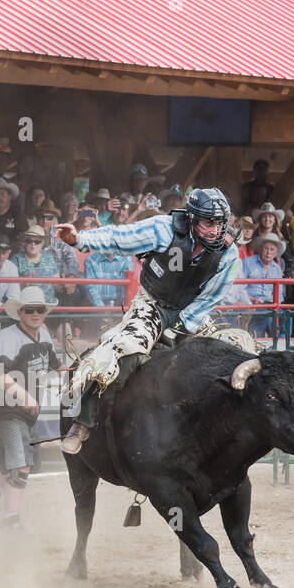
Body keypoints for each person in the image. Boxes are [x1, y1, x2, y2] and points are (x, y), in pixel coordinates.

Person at [54, 187, 242, 453]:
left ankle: (229, 432)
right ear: (192, 219)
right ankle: (83, 421)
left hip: (192, 312)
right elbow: (121, 237)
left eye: (220, 223)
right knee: (124, 347)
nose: (215, 230)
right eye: (208, 223)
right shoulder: (164, 228)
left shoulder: (229, 253)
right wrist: (80, 239)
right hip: (152, 303)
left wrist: (180, 326)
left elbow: (211, 297)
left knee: (229, 350)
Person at [0, 287, 62, 529]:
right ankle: (12, 521)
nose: (35, 314)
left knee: (17, 462)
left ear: (44, 312)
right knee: (20, 466)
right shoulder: (9, 337)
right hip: (3, 408)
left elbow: (54, 368)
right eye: (29, 309)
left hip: (22, 411)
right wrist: (24, 396)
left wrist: (83, 369)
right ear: (20, 312)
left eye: (39, 309)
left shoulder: (45, 336)